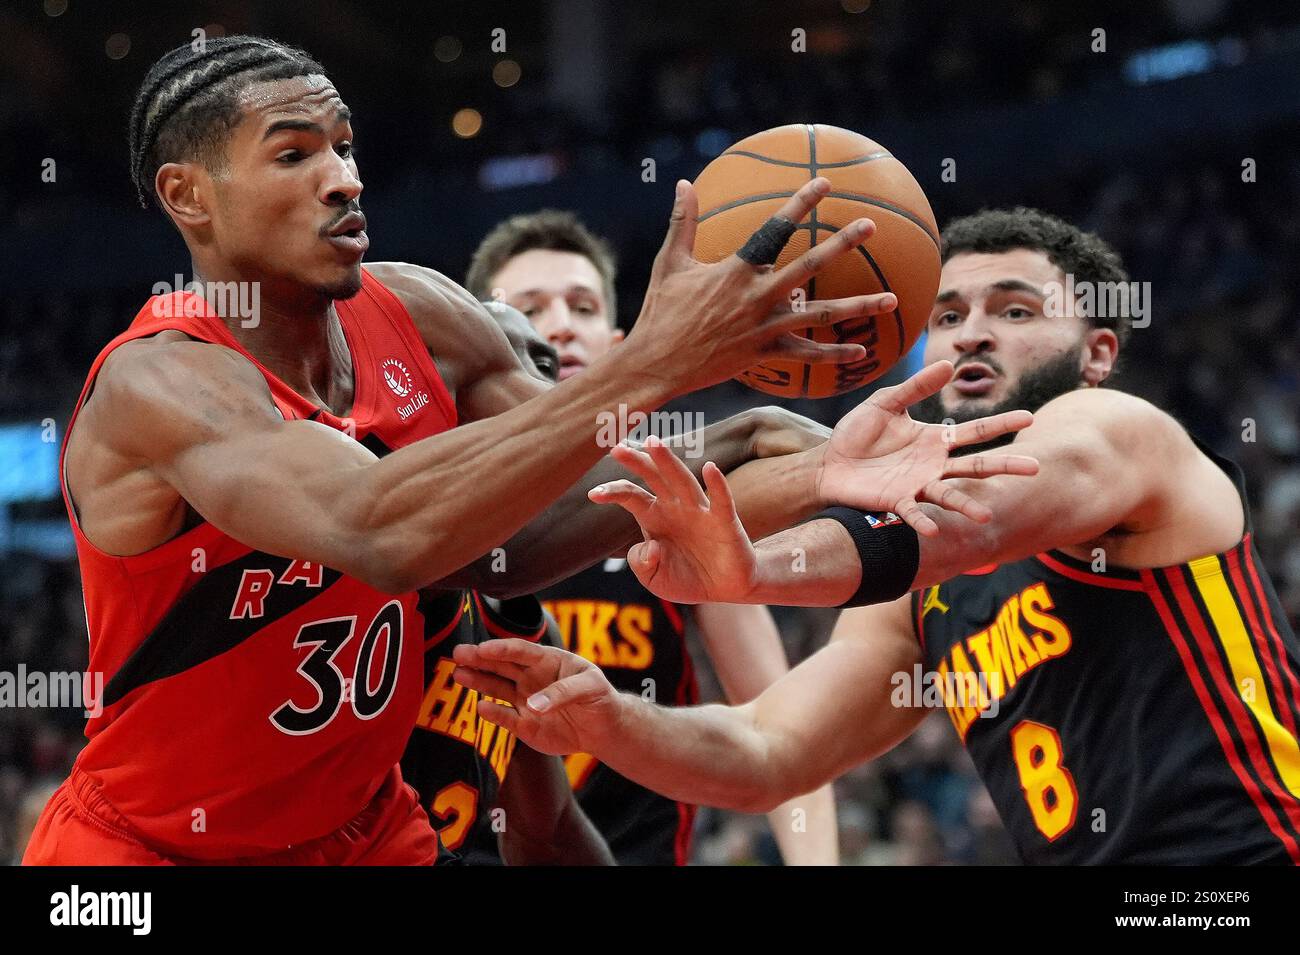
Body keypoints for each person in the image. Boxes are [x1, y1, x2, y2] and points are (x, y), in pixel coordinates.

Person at [24, 36, 1022, 866]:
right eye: (295, 156)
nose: (344, 177)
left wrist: (807, 459)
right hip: (148, 850)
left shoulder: (425, 316)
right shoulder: (158, 381)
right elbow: (382, 529)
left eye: (345, 145)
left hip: (364, 832)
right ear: (188, 196)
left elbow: (548, 516)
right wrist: (656, 362)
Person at [452, 207, 1300, 864]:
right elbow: (768, 750)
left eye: (1014, 309)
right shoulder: (919, 595)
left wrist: (756, 568)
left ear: (1098, 351)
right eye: (951, 312)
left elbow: (971, 522)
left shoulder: (1118, 431)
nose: (972, 330)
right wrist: (606, 719)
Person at [466, 212, 837, 865]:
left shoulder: (673, 506)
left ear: (616, 345)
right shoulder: (434, 509)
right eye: (529, 308)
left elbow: (781, 723)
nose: (560, 323)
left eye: (582, 306)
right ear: (476, 347)